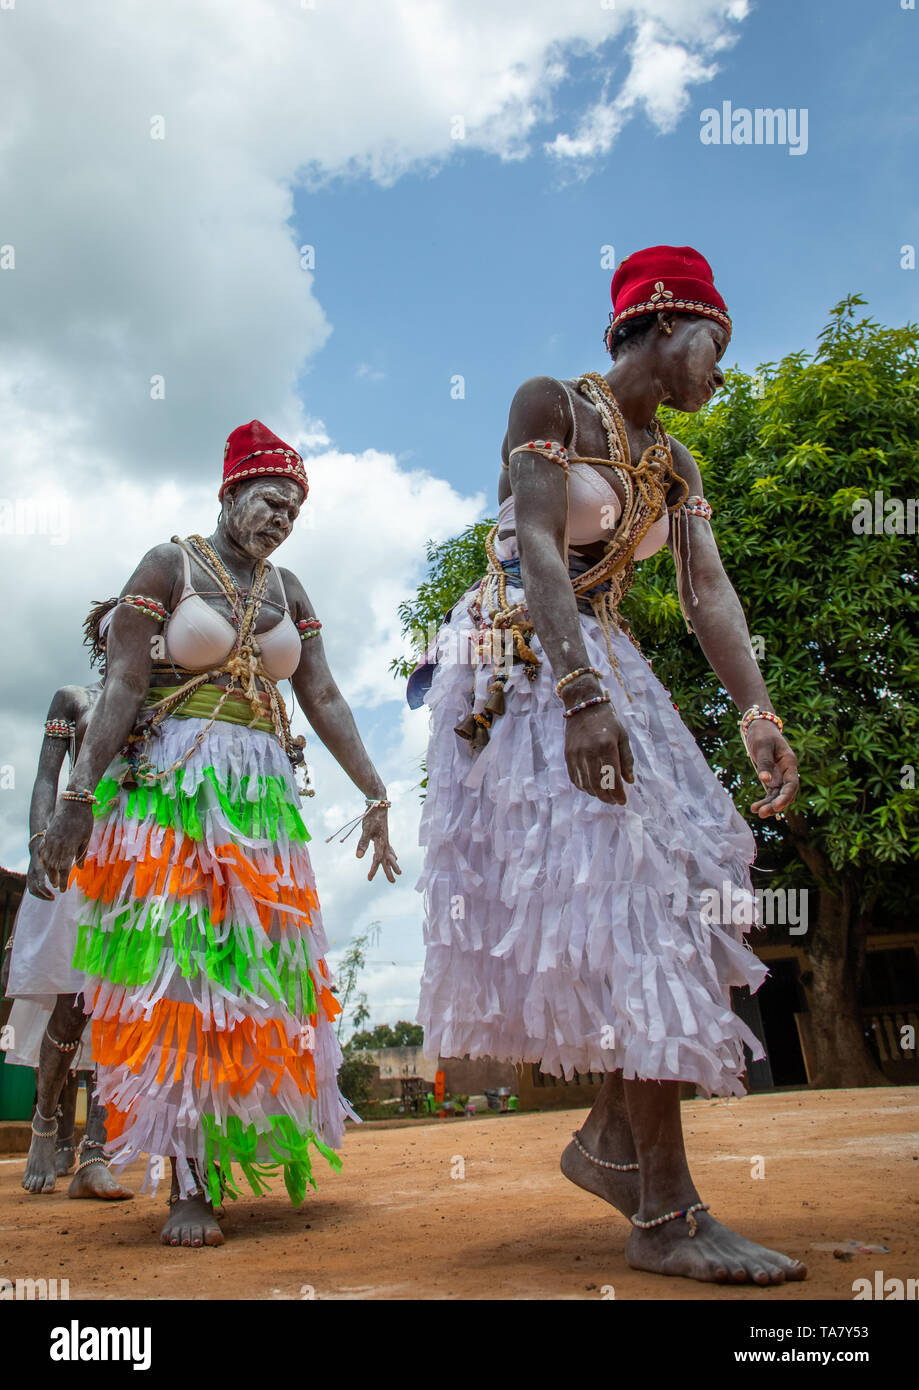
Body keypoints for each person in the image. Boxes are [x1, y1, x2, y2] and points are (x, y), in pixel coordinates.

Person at [414, 247, 806, 1286]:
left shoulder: (674, 464)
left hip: (603, 656)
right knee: (636, 896)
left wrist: (756, 711)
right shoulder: (552, 403)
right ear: (663, 323)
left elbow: (706, 592)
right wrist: (582, 697)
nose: (719, 374)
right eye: (715, 347)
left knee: (679, 887)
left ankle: (610, 1146)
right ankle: (664, 1217)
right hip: (521, 660)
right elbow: (539, 546)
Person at [39, 420, 400, 1247]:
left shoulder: (291, 590)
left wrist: (375, 790)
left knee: (256, 987)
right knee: (185, 983)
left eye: (295, 510)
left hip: (261, 801)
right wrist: (79, 795)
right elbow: (127, 681)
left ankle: (229, 1149)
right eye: (272, 500)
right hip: (170, 797)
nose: (282, 518)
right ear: (232, 492)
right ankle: (187, 1184)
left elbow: (325, 696)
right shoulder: (168, 566)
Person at [5, 599, 133, 1199]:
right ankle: (45, 1124)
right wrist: (38, 846)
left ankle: (98, 1151)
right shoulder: (73, 700)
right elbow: (44, 778)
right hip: (76, 861)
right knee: (74, 1005)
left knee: (124, 1009)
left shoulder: (162, 706)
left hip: (140, 868)